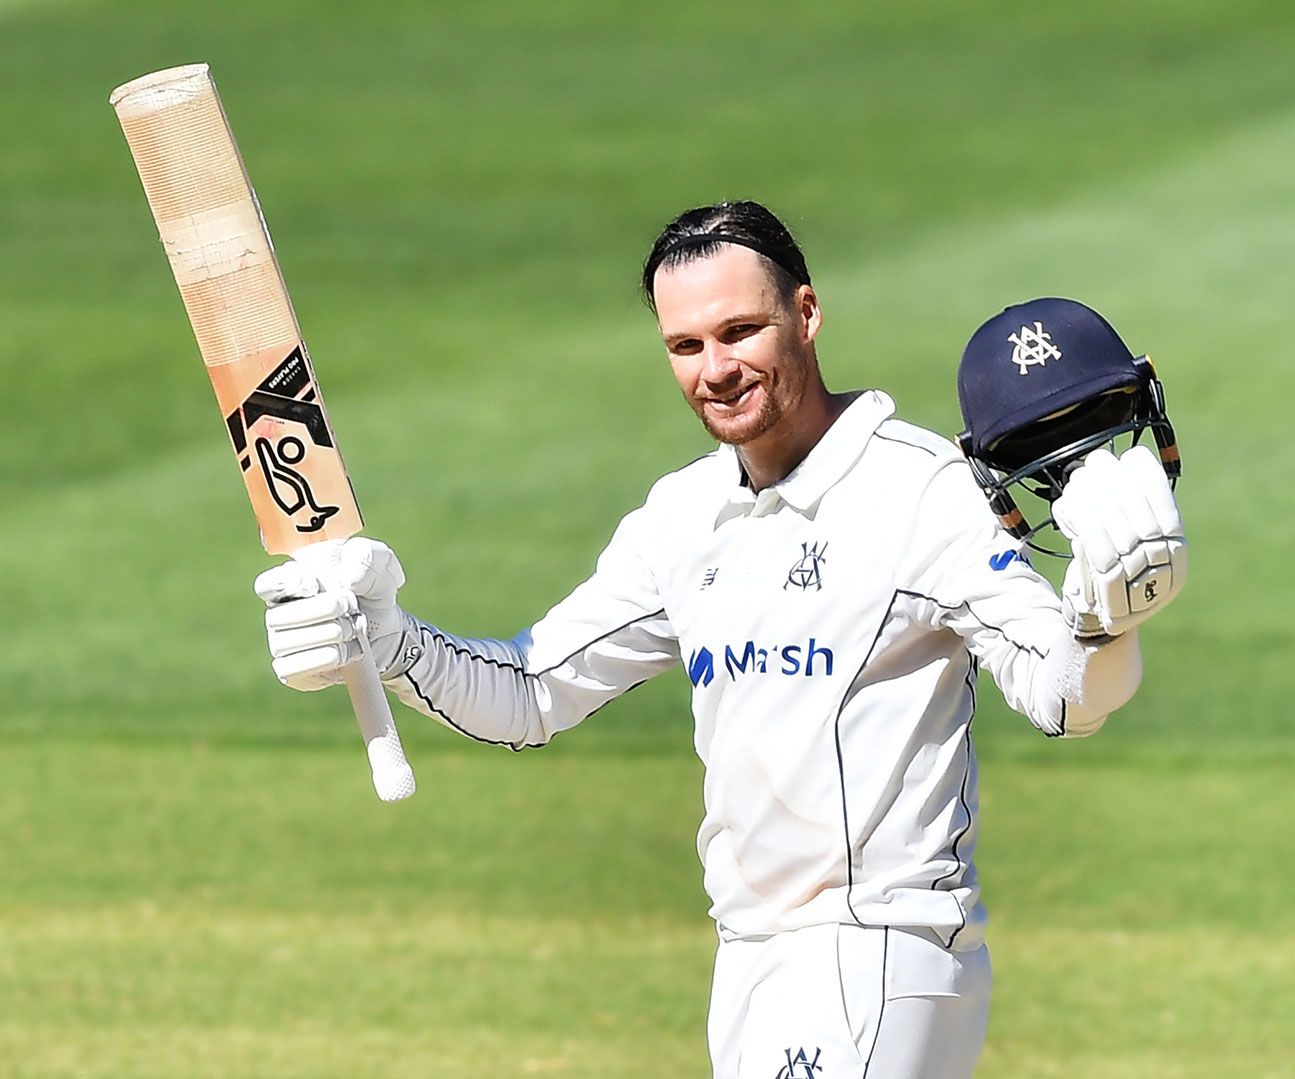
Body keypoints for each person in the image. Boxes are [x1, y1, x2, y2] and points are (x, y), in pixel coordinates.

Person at [254, 201, 1186, 1078]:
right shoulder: (681, 518)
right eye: (685, 345)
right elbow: (531, 694)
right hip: (747, 964)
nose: (716, 368)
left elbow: (1067, 694)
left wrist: (1107, 619)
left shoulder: (920, 491)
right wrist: (387, 636)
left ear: (807, 313)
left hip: (883, 948)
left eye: (740, 332)